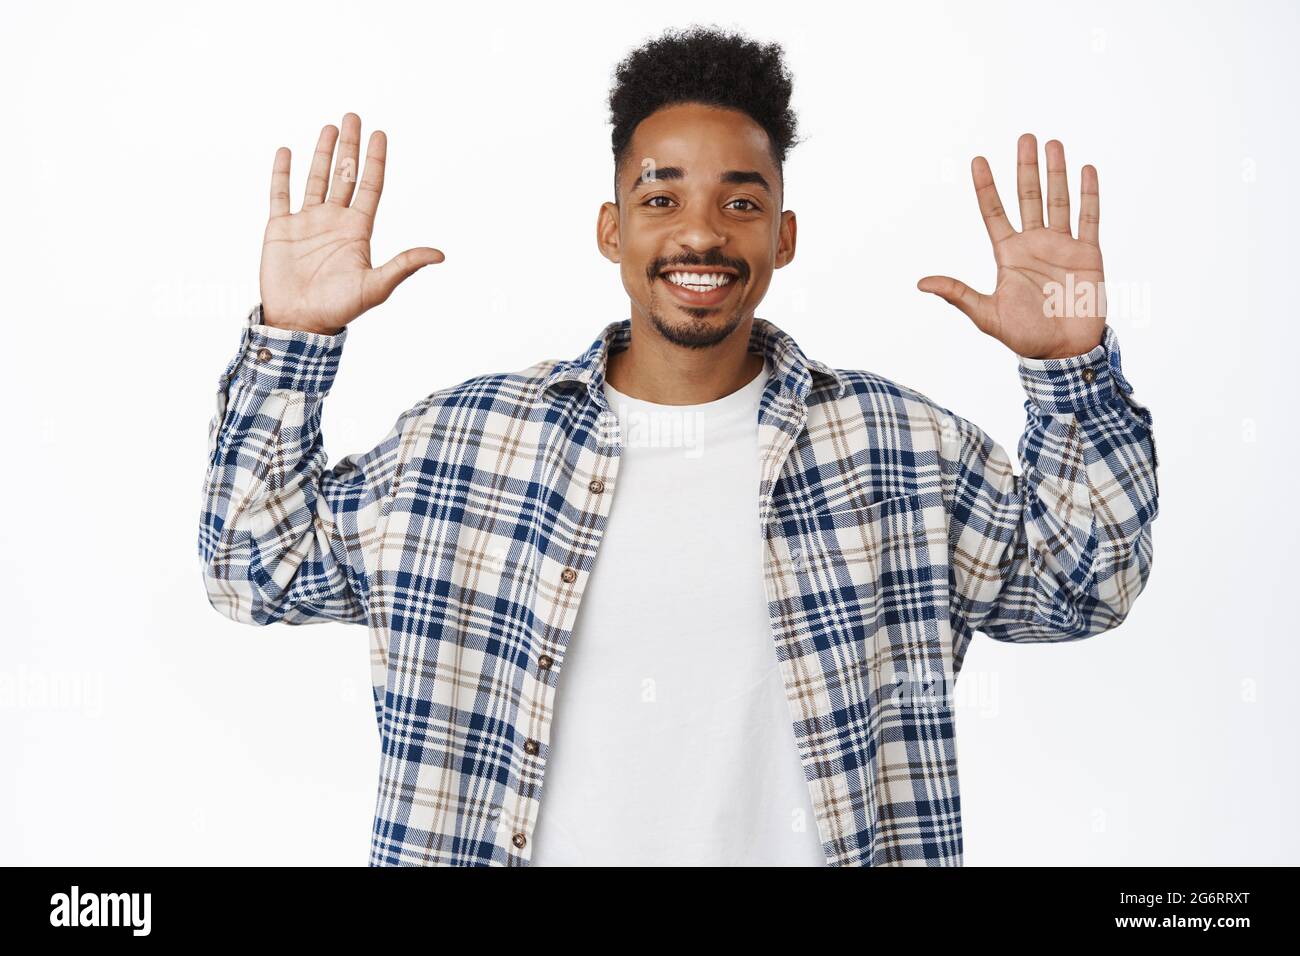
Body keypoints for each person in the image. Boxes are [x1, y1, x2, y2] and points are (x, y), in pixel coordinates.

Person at [198, 25, 1158, 866]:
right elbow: (252, 565)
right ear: (612, 229)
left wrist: (1070, 364)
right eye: (661, 199)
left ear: (784, 236)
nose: (700, 232)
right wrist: (295, 341)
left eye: (741, 203)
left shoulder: (897, 451)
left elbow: (1089, 583)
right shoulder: (464, 447)